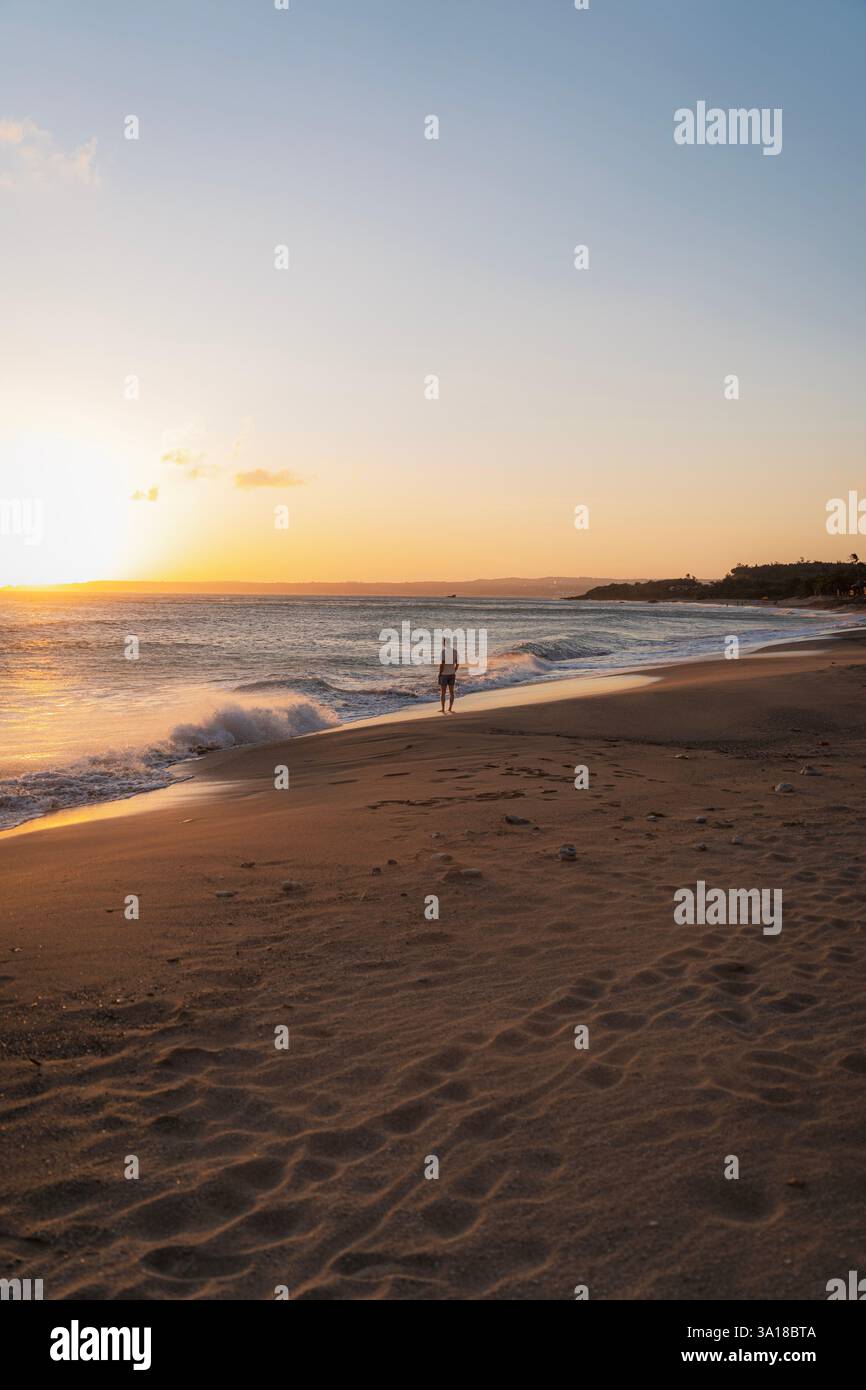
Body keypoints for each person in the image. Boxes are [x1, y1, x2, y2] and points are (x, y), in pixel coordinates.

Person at [437, 642, 459, 712]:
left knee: (443, 692)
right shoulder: (455, 651)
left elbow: (442, 664)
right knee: (451, 692)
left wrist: (440, 673)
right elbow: (457, 664)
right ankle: (450, 708)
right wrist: (454, 670)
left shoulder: (443, 652)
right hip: (452, 674)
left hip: (444, 674)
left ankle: (443, 709)